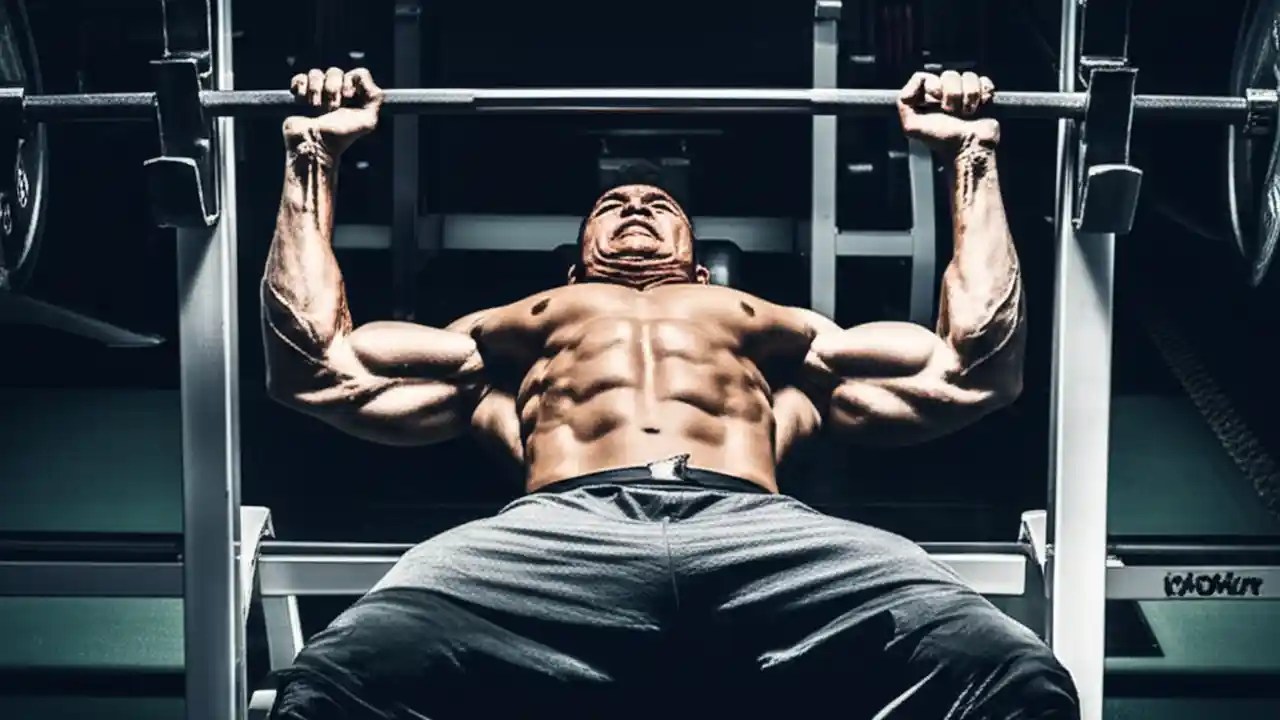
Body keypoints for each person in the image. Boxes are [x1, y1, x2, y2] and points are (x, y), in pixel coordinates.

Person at [260, 66, 1077, 720]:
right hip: (559, 534)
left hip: (757, 530)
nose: (635, 207)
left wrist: (969, 152)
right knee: (334, 684)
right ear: (574, 265)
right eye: (612, 205)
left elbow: (979, 368)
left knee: (1009, 676)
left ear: (699, 262)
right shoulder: (516, 331)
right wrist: (314, 152)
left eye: (659, 204)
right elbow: (313, 365)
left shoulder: (770, 331)